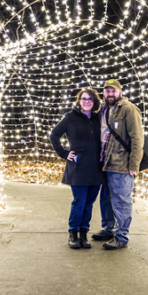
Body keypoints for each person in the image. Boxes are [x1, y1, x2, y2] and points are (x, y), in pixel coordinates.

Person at [49, 88, 104, 249]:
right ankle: (73, 232)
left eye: (90, 99)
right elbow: (54, 135)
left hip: (96, 168)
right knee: (79, 201)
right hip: (78, 167)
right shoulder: (70, 117)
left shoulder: (98, 118)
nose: (87, 101)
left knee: (89, 203)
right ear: (79, 101)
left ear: (94, 102)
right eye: (84, 98)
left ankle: (83, 233)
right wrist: (64, 153)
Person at [98, 79, 144, 250]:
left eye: (113, 91)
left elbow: (137, 139)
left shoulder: (129, 109)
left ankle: (121, 236)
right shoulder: (103, 109)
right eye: (107, 91)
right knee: (106, 199)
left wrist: (134, 164)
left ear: (120, 92)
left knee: (121, 201)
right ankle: (109, 229)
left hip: (122, 164)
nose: (110, 94)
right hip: (105, 162)